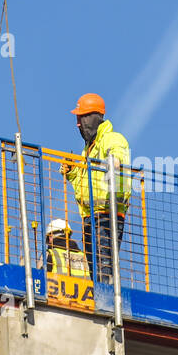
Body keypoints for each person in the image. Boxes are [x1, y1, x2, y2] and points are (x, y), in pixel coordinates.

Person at [63, 93, 131, 282]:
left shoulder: (110, 138)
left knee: (103, 264)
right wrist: (73, 173)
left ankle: (107, 298)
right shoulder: (88, 149)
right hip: (90, 215)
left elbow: (118, 153)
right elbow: (84, 186)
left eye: (80, 118)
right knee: (94, 266)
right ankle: (100, 296)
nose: (78, 124)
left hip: (107, 212)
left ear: (91, 118)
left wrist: (114, 161)